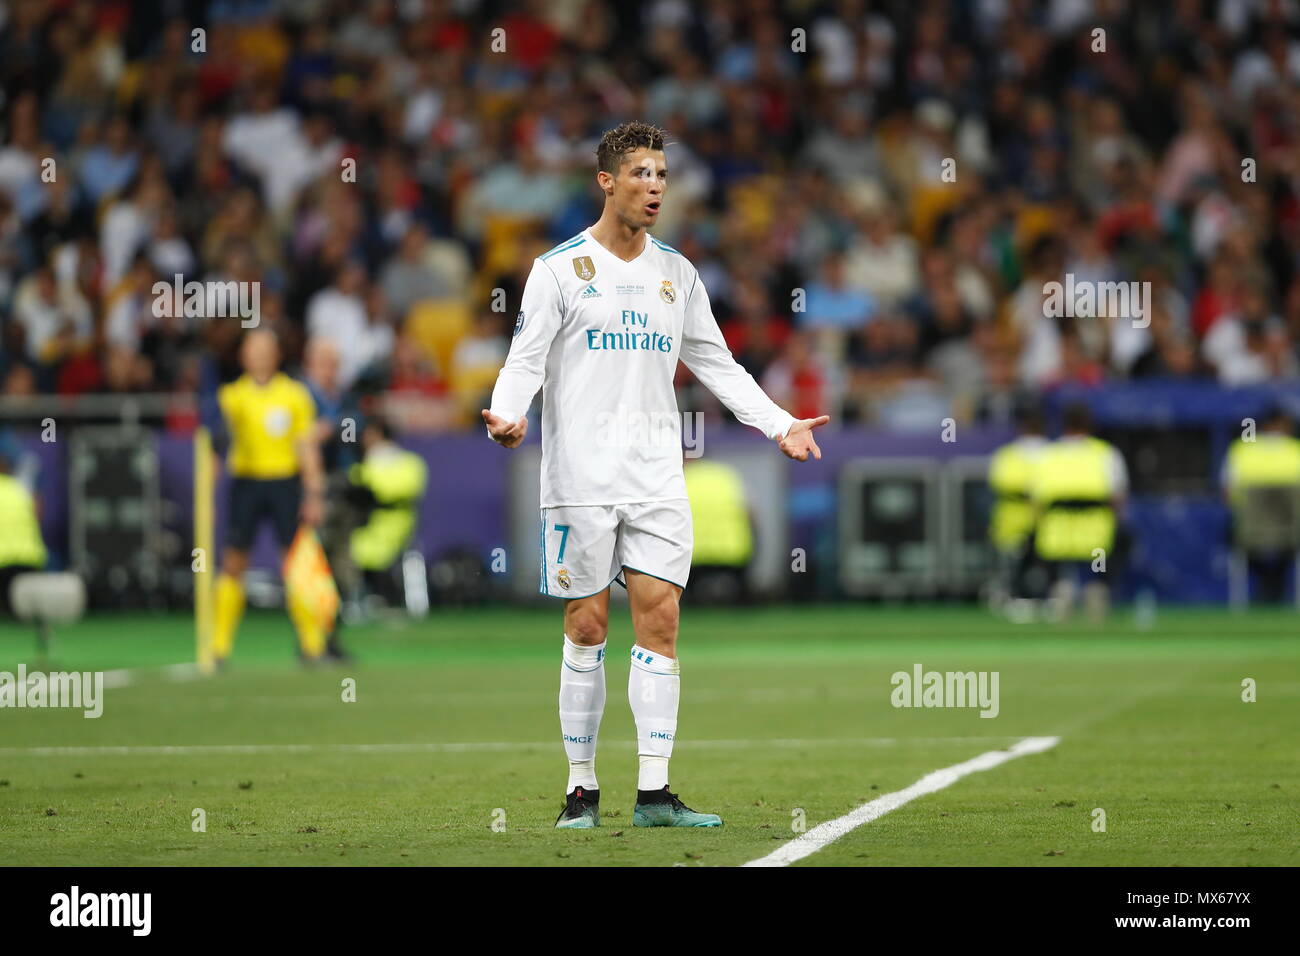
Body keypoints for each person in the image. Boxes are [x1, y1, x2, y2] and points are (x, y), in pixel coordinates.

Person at [483, 121, 829, 829]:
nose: (656, 188)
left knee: (662, 621)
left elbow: (717, 364)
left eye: (664, 176)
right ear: (606, 181)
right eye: (642, 174)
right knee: (585, 625)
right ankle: (580, 789)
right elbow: (525, 357)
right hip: (580, 474)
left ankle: (655, 794)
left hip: (655, 475)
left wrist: (780, 423)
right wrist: (508, 412)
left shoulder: (678, 273)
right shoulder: (557, 271)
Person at [212, 328, 332, 667]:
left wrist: (313, 493)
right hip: (246, 482)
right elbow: (217, 443)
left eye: (266, 349)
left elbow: (306, 447)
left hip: (285, 483)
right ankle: (219, 648)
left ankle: (312, 646)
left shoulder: (294, 395)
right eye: (254, 349)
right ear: (243, 356)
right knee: (234, 563)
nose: (260, 355)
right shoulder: (231, 397)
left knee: (296, 562)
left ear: (277, 354)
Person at [1031, 402, 1128, 620]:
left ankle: (1060, 591)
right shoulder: (1106, 454)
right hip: (1095, 534)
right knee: (1100, 565)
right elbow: (1118, 496)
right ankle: (1096, 592)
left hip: (1057, 533)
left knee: (1053, 565)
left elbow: (1036, 499)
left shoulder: (1047, 455)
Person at [1221, 404, 1300, 602]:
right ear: (1285, 425)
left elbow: (1228, 495)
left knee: (1237, 533)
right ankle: (1272, 584)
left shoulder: (1242, 450)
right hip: (1291, 534)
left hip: (1249, 533)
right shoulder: (1295, 451)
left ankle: (1268, 583)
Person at [987, 402, 1048, 608]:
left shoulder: (1006, 456)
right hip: (1040, 519)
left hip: (1016, 520)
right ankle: (1037, 598)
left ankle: (1017, 598)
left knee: (1017, 563)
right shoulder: (1053, 453)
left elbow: (999, 483)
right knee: (1037, 563)